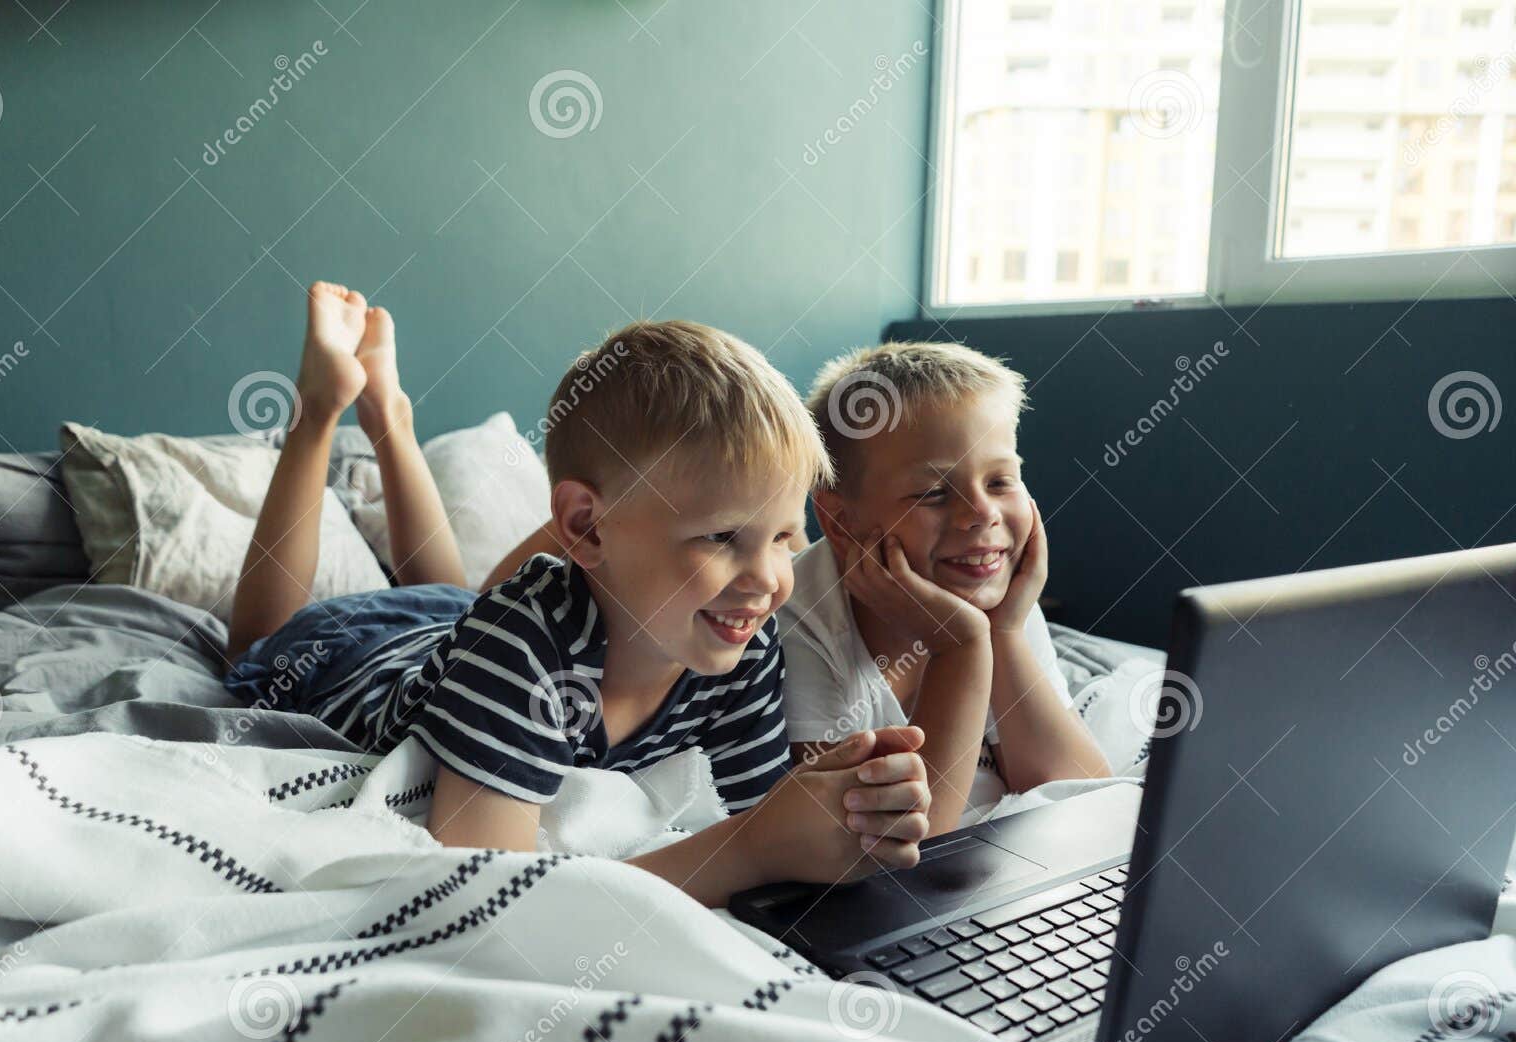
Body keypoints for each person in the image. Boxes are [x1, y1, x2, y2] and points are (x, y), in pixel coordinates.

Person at [222, 281, 933, 906]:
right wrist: (749, 850)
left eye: (783, 537)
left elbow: (762, 814)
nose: (769, 581)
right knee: (257, 645)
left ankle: (390, 419)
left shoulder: (740, 639)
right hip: (358, 652)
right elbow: (486, 889)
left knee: (450, 594)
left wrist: (840, 813)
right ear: (584, 529)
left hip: (462, 619)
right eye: (722, 537)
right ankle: (321, 411)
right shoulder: (515, 643)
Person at [778, 341, 1110, 835]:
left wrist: (1005, 633)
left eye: (1000, 482)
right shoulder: (799, 625)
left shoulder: (996, 599)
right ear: (840, 522)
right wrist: (962, 642)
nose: (982, 514)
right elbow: (901, 844)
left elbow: (1082, 800)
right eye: (933, 493)